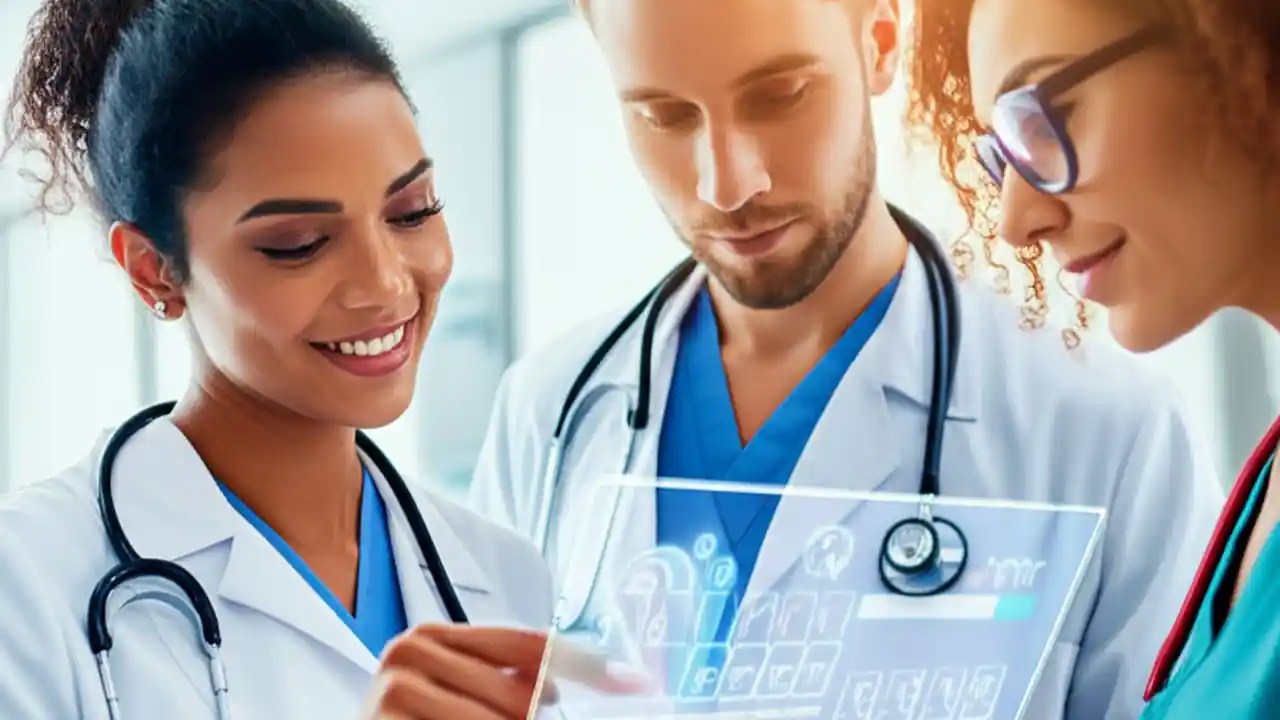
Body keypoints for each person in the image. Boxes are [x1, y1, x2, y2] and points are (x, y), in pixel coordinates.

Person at [468, 0, 1225, 717]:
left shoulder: (1110, 434)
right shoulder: (549, 414)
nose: (728, 184)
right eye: (664, 115)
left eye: (780, 95)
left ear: (881, 43)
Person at [0, 0, 606, 718]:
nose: (385, 283)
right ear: (153, 270)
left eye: (412, 210)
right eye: (298, 244)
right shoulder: (27, 588)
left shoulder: (504, 577)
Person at [906, 0, 1280, 716]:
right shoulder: (1261, 492)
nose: (1016, 221)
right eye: (1002, 154)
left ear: (1238, 35)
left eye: (1045, 116)